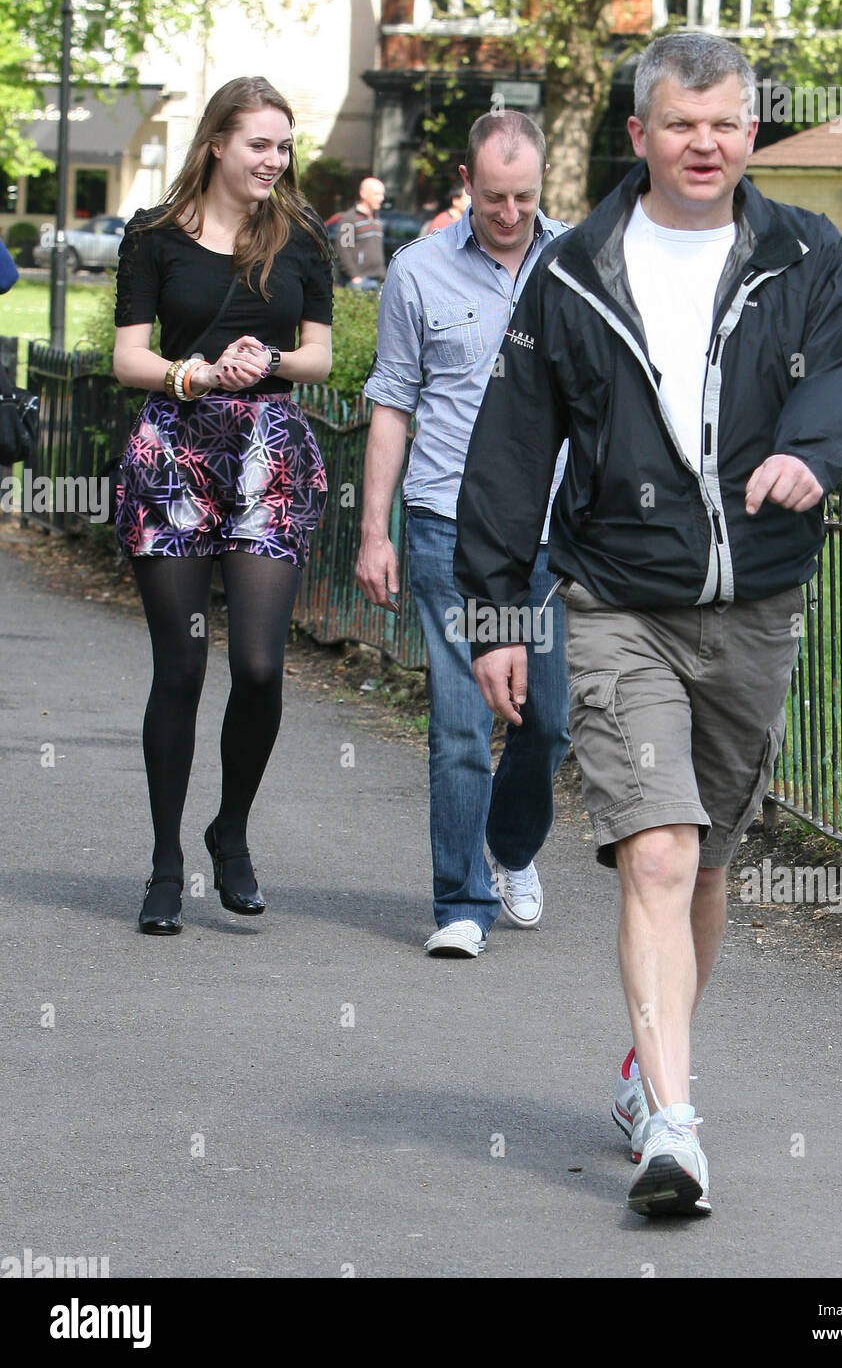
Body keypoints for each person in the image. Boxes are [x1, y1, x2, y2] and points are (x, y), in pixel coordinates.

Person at [455, 33, 842, 1208]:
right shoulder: (574, 270)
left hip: (754, 601)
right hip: (615, 602)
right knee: (656, 846)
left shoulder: (802, 250)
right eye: (682, 123)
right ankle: (675, 1134)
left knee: (705, 861)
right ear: (637, 133)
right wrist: (497, 613)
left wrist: (809, 450)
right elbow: (506, 449)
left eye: (727, 122)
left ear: (751, 132)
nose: (707, 143)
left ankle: (649, 1066)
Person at [112, 75, 333, 936]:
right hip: (173, 452)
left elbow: (318, 356)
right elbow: (129, 356)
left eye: (283, 146)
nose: (274, 161)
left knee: (258, 665)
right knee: (180, 667)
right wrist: (191, 373)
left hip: (268, 455)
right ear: (216, 145)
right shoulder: (155, 237)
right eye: (259, 145)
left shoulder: (301, 237)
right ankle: (166, 863)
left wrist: (265, 361)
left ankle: (228, 830)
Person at [356, 110, 572, 958]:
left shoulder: (579, 265)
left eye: (523, 197)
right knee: (458, 719)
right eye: (492, 197)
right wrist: (373, 530)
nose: (509, 213)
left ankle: (511, 847)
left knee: (543, 722)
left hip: (549, 534)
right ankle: (459, 900)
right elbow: (390, 407)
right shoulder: (417, 273)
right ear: (464, 181)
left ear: (542, 183)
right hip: (447, 521)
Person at [332, 177, 386, 289]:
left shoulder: (377, 218)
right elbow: (343, 249)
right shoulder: (350, 218)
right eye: (377, 194)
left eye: (382, 194)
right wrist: (354, 276)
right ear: (363, 194)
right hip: (359, 282)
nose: (381, 198)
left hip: (378, 278)